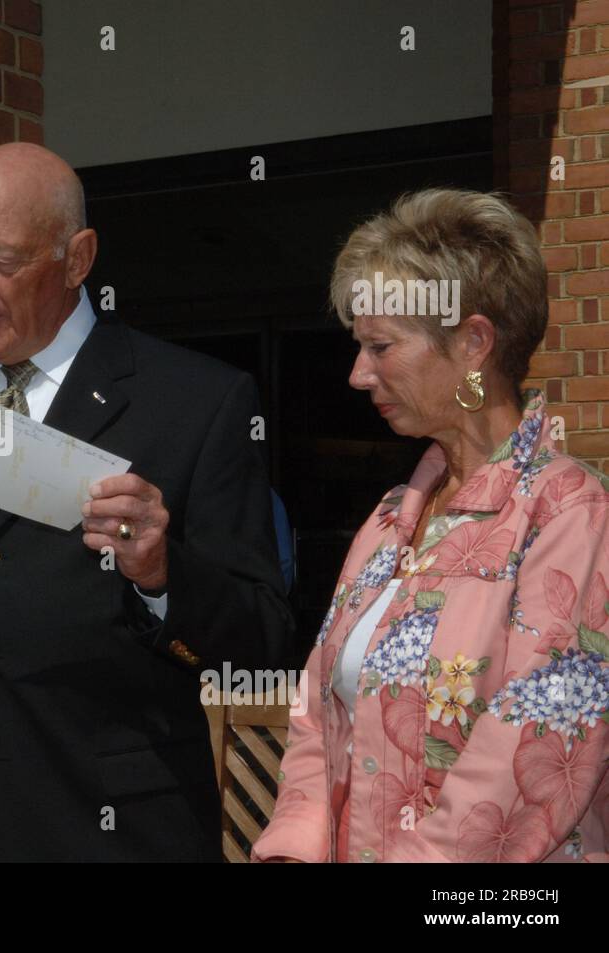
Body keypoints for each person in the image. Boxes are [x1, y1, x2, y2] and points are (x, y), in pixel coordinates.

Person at [0, 142, 294, 861]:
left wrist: (164, 575)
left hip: (118, 833)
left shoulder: (197, 402)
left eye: (2, 260)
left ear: (78, 258)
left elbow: (261, 635)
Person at [253, 188, 609, 863]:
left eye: (380, 346)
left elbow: (530, 752)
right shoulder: (390, 520)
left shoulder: (570, 514)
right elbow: (314, 712)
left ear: (474, 342)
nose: (358, 374)